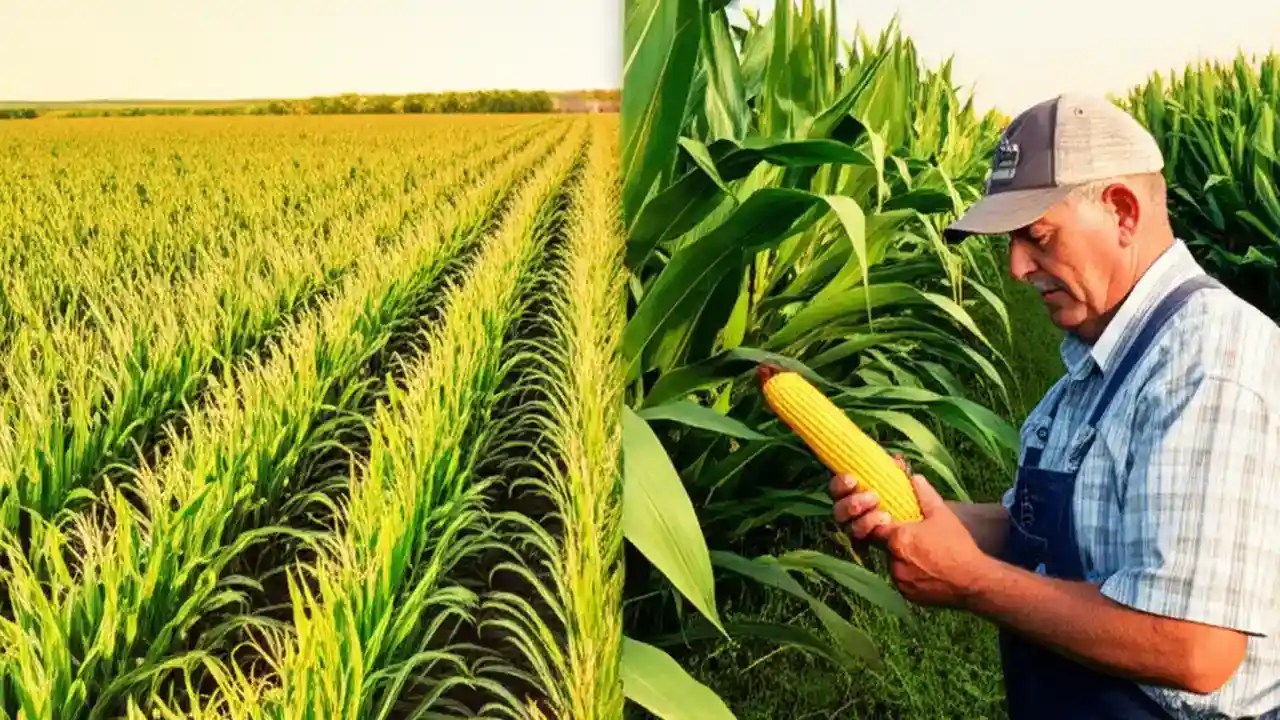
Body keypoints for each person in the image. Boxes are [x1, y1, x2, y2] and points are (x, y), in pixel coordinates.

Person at [828, 92, 1280, 719]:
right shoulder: (1093, 364)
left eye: (1037, 236)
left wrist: (972, 583)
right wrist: (910, 513)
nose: (1016, 266)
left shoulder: (1208, 365)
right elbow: (1032, 526)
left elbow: (1196, 648)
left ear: (1121, 212)